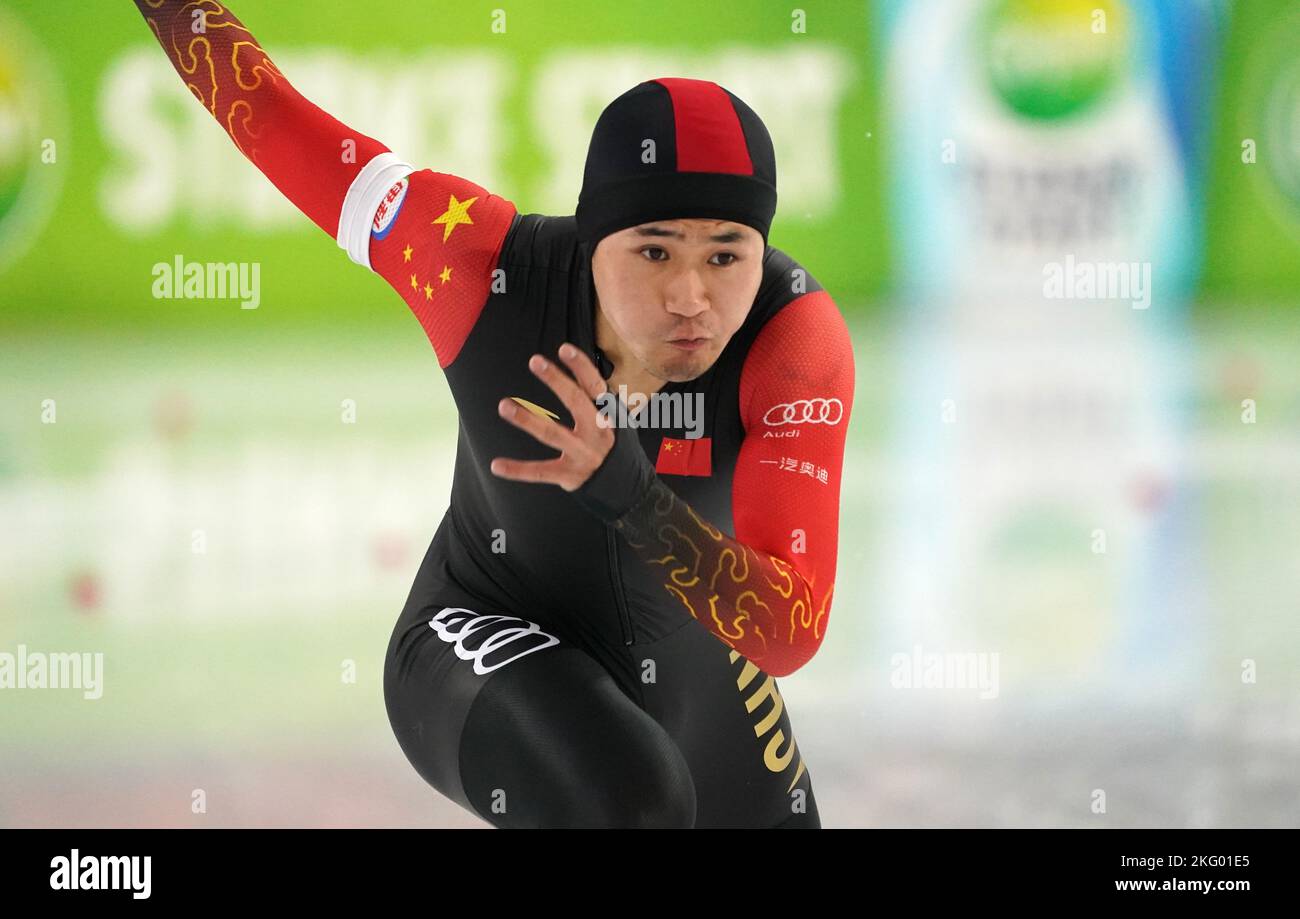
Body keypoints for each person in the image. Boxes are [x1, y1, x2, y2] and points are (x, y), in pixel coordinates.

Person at [133, 0, 855, 828]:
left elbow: (789, 633)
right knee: (636, 805)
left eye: (727, 255)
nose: (691, 297)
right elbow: (274, 118)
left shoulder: (792, 343)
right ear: (592, 237)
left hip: (689, 652)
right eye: (654, 250)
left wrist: (633, 499)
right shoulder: (477, 268)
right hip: (481, 628)